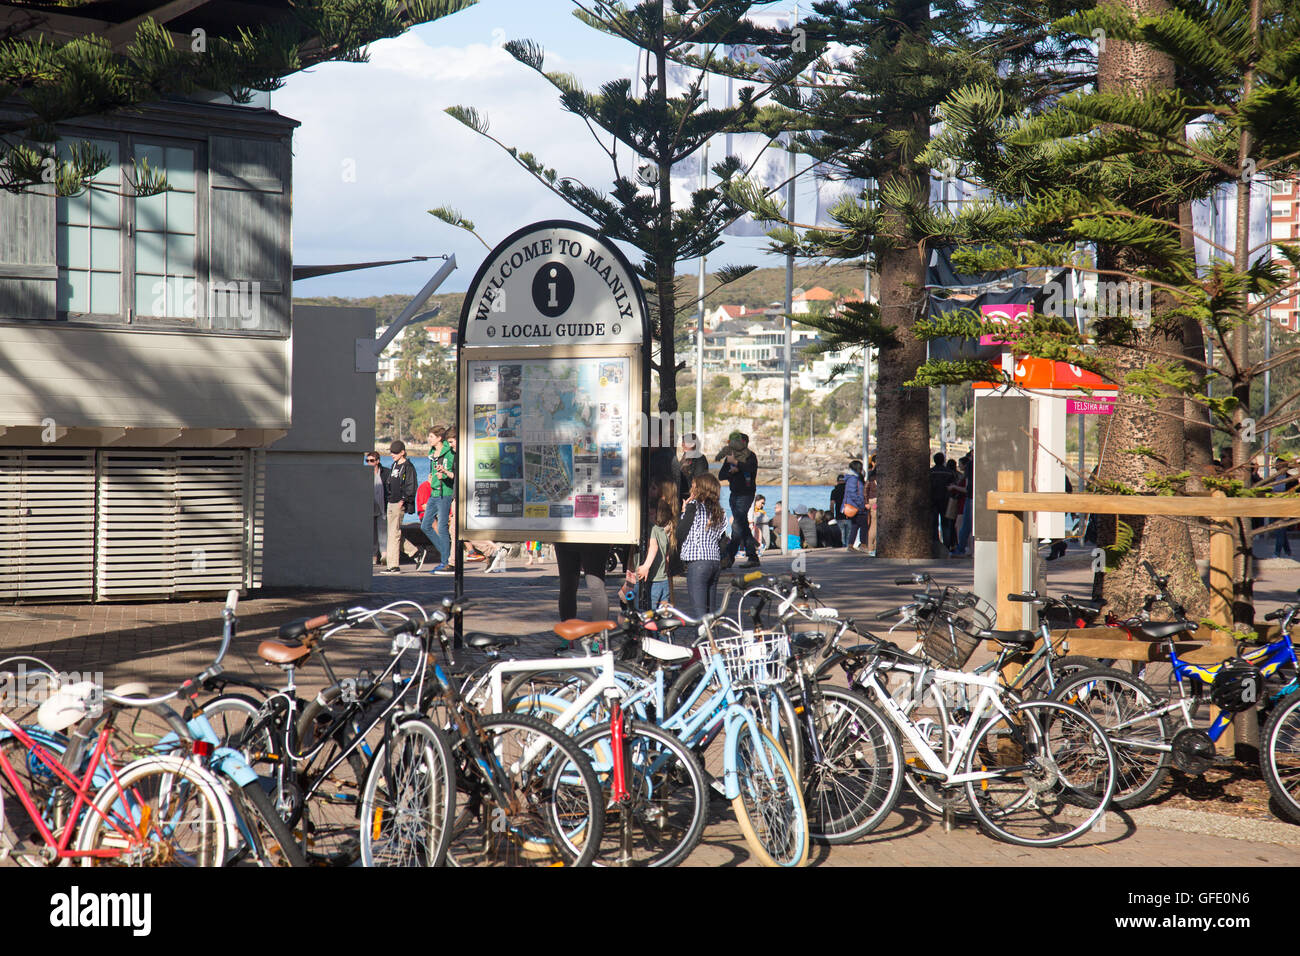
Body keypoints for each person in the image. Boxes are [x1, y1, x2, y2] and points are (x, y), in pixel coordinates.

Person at [678, 472, 727, 618]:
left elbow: (680, 533)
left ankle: (702, 638)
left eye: (693, 487)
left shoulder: (694, 506)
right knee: (710, 613)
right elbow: (722, 539)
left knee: (700, 615)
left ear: (700, 489)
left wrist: (683, 512)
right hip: (714, 560)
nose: (690, 490)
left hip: (698, 562)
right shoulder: (718, 511)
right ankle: (712, 639)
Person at [718, 434, 760, 570]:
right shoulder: (730, 457)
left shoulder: (750, 456)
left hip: (746, 494)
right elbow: (721, 475)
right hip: (734, 494)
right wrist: (731, 471)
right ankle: (751, 556)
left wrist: (737, 465)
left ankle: (729, 557)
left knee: (737, 525)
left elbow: (750, 468)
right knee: (740, 524)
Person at [424, 425, 457, 575]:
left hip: (445, 493)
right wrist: (431, 479)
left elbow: (454, 474)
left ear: (439, 438)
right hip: (434, 493)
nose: (428, 439)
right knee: (425, 526)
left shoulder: (449, 453)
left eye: (431, 436)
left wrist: (444, 475)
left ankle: (445, 561)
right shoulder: (432, 453)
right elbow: (433, 469)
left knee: (442, 527)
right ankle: (445, 553)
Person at [554, 543, 612, 622]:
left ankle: (568, 629)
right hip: (593, 540)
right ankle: (600, 631)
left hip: (567, 539)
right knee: (596, 589)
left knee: (567, 587)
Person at [636, 498, 677, 609]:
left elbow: (653, 547)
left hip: (651, 581)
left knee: (645, 615)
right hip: (663, 581)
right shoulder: (664, 532)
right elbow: (667, 558)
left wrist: (645, 567)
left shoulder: (650, 529)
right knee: (661, 616)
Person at [383, 440, 417, 573]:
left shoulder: (408, 467)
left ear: (402, 452)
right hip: (391, 502)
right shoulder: (394, 465)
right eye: (391, 452)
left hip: (399, 503)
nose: (392, 454)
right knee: (392, 533)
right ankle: (415, 553)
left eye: (395, 452)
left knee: (393, 534)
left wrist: (404, 500)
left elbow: (411, 485)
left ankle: (393, 566)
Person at [929, 453, 954, 551]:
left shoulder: (930, 472)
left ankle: (935, 544)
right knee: (946, 524)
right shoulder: (949, 473)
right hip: (946, 501)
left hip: (933, 501)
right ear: (943, 460)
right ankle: (947, 546)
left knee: (934, 524)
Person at [368, 451, 389, 565]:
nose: (369, 463)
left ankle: (384, 556)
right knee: (372, 535)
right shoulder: (365, 474)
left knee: (383, 533)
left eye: (371, 460)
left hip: (382, 508)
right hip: (370, 508)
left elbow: (389, 489)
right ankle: (373, 556)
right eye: (367, 461)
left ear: (377, 461)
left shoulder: (386, 472)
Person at [843, 459, 869, 552]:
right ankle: (863, 544)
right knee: (863, 525)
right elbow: (853, 493)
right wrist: (861, 504)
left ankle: (851, 545)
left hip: (856, 506)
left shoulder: (854, 478)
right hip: (857, 506)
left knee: (855, 525)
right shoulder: (853, 479)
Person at [679, 433, 709, 504]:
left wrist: (693, 496)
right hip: (683, 495)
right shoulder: (685, 457)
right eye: (682, 442)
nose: (682, 445)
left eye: (685, 442)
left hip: (693, 497)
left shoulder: (700, 458)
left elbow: (699, 480)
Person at [1274, 458, 1294, 557]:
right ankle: (1288, 551)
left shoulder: (1291, 479)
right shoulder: (1272, 479)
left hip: (1286, 507)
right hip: (1275, 507)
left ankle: (1276, 553)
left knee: (1280, 529)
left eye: (1279, 464)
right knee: (1280, 530)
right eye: (1276, 464)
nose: (1276, 466)